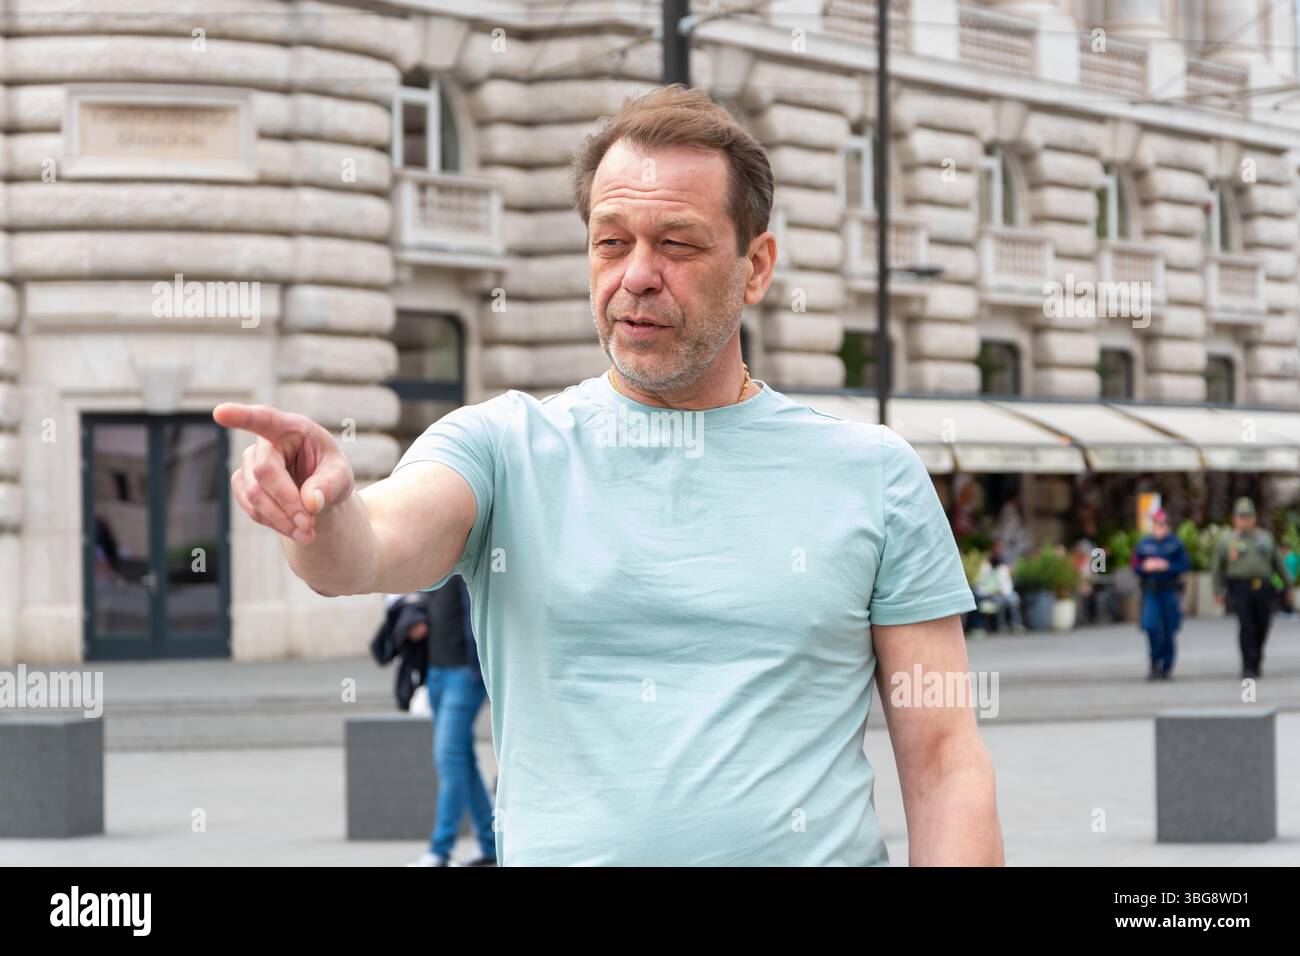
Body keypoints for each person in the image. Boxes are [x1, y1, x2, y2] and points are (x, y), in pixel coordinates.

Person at [213, 85, 1003, 866]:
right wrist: (322, 510)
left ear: (756, 267)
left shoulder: (874, 474)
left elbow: (942, 763)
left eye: (679, 244)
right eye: (611, 241)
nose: (637, 275)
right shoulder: (502, 445)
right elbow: (369, 546)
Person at [408, 575, 497, 868]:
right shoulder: (431, 549)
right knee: (462, 760)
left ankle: (440, 850)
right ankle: (490, 845)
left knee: (448, 756)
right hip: (436, 670)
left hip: (465, 673)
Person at [1212, 497, 1294, 679]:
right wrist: (1218, 590)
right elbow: (1218, 568)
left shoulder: (1265, 538)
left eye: (1248, 516)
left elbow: (1278, 564)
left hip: (1263, 587)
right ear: (1235, 519)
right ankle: (1248, 665)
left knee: (1263, 624)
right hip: (1239, 587)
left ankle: (1256, 658)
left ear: (1254, 518)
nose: (1244, 520)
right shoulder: (1227, 540)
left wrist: (1289, 587)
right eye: (1241, 517)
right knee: (1246, 626)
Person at [1130, 509, 1190, 680]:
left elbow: (1185, 565)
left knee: (1170, 628)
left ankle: (1166, 666)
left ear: (1167, 525)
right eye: (1156, 524)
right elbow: (1135, 566)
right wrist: (1145, 567)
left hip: (1170, 590)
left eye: (1162, 524)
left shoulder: (1176, 544)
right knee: (1150, 626)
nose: (1159, 527)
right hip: (1151, 591)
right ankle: (1154, 663)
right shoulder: (1144, 544)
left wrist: (1167, 566)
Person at [973, 539, 1021, 633]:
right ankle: (1000, 626)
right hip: (989, 595)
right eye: (995, 550)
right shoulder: (985, 567)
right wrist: (992, 591)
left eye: (999, 549)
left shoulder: (1003, 567)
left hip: (1005, 594)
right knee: (998, 601)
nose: (997, 552)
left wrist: (1003, 591)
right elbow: (980, 584)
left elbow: (1008, 585)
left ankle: (1015, 625)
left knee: (1014, 599)